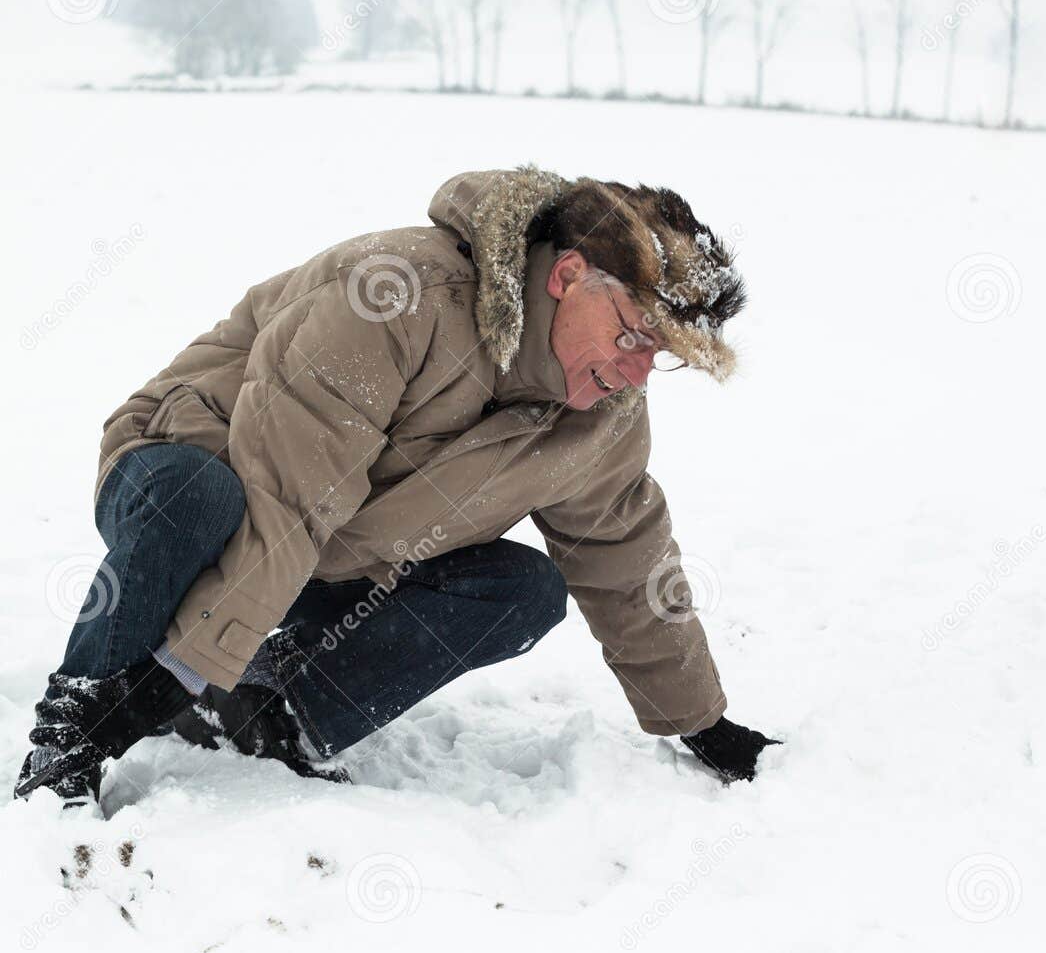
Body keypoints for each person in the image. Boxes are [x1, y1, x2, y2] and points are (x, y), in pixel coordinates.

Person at [15, 166, 779, 810]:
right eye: (632, 333)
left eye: (663, 354)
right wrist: (150, 692)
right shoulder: (397, 293)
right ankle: (74, 721)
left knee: (520, 587)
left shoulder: (600, 409)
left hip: (338, 540)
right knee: (202, 501)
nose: (638, 369)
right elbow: (287, 498)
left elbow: (622, 551)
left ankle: (272, 717)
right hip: (197, 474)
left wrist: (699, 722)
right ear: (569, 274)